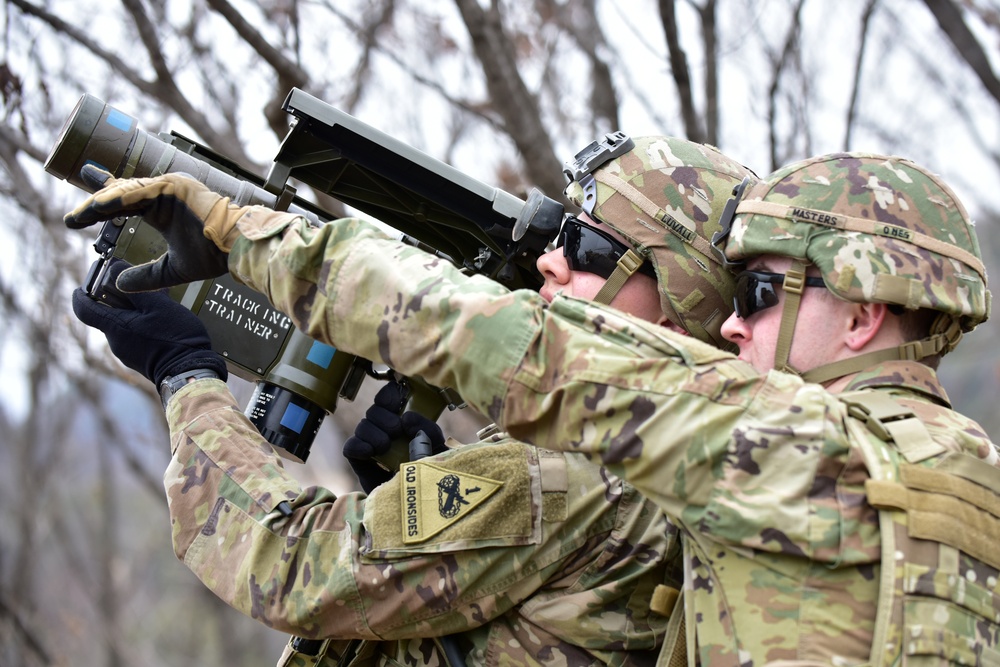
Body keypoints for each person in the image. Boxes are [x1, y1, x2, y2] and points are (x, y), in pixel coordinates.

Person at [67, 135, 757, 666]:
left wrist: (185, 375)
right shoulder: (682, 469)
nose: (551, 259)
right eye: (559, 236)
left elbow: (289, 564)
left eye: (587, 247)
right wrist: (419, 486)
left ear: (676, 318)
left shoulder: (577, 472)